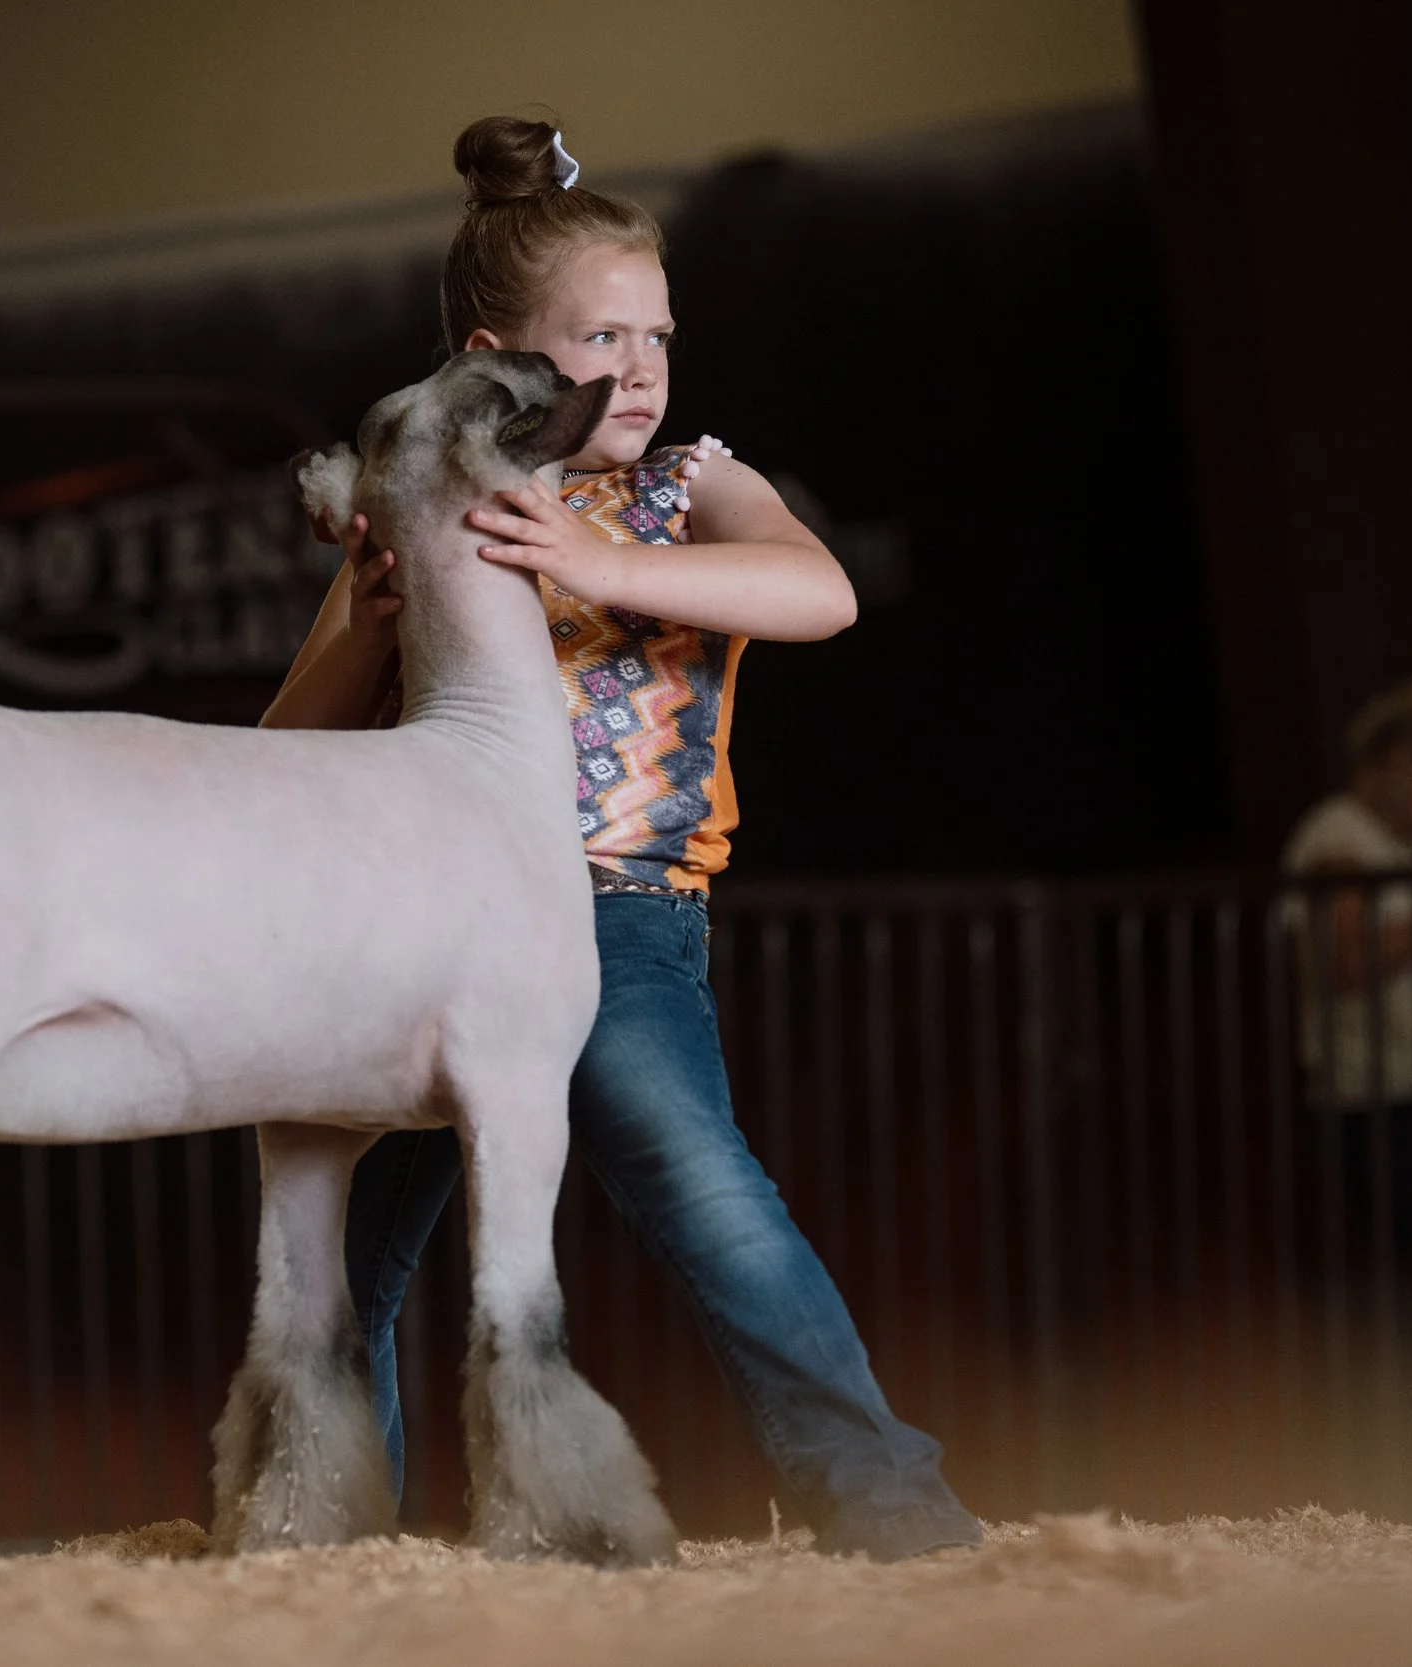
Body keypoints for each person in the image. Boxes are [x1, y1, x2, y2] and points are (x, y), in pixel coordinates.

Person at [265, 116, 980, 1560]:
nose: (644, 368)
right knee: (337, 1247)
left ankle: (887, 1503)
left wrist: (604, 559)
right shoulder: (431, 511)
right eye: (603, 338)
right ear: (493, 363)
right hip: (428, 922)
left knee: (697, 1180)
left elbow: (821, 592)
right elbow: (286, 750)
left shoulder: (691, 486)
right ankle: (330, 1542)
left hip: (611, 910)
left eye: (659, 333)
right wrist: (369, 620)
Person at [1281, 660, 1412, 1290]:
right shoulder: (1337, 837)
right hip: (1384, 1104)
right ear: (1405, 758)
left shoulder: (1396, 850)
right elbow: (1347, 963)